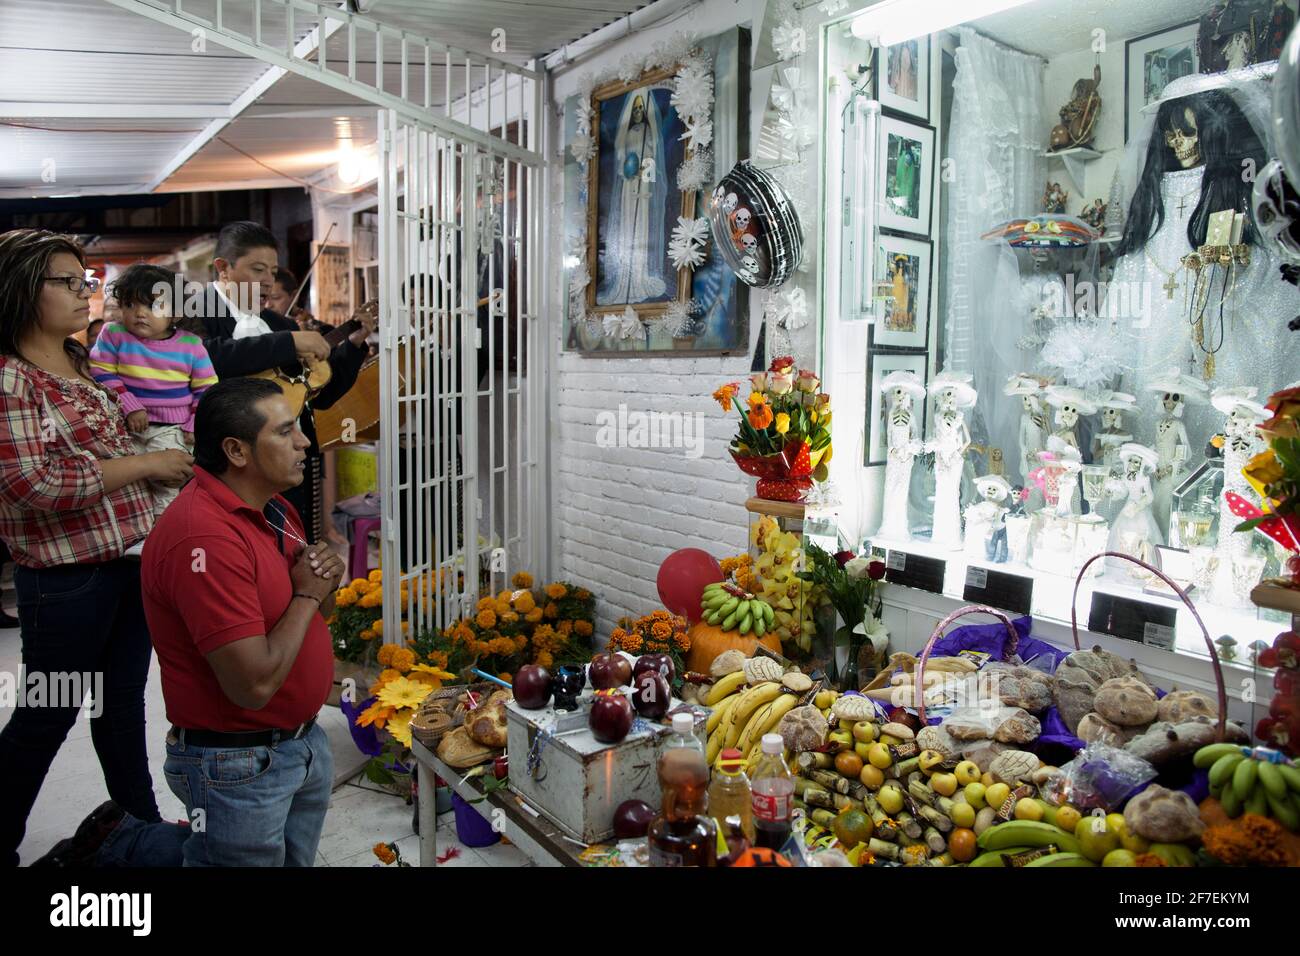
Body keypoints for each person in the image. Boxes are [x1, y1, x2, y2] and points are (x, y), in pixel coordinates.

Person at [35, 378, 345, 867]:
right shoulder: (204, 539)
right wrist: (310, 591)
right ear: (236, 451)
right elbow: (253, 685)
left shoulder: (276, 509)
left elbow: (314, 615)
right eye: (286, 432)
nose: (305, 442)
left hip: (299, 744)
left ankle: (125, 841)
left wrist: (322, 584)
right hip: (240, 764)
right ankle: (116, 850)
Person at [0, 229, 194, 867]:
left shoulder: (79, 362)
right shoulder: (12, 379)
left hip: (127, 560)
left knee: (119, 711)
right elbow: (36, 483)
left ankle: (136, 830)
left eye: (86, 280)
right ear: (24, 289)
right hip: (65, 580)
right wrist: (146, 467)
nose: (86, 292)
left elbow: (111, 445)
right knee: (45, 716)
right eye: (68, 281)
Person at [183, 221, 375, 540]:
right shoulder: (196, 311)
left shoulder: (276, 322)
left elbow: (318, 395)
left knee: (296, 558)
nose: (268, 283)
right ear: (223, 268)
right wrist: (289, 342)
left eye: (272, 272)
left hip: (290, 463)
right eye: (258, 270)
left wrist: (352, 345)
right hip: (230, 469)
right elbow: (202, 357)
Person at [90, 264, 218, 517]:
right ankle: (133, 536)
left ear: (177, 313)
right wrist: (129, 405)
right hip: (124, 425)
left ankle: (160, 535)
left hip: (172, 429)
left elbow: (207, 388)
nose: (139, 313)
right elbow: (101, 372)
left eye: (153, 306)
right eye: (130, 305)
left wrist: (195, 423)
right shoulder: (113, 334)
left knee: (167, 486)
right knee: (127, 484)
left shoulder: (191, 345)